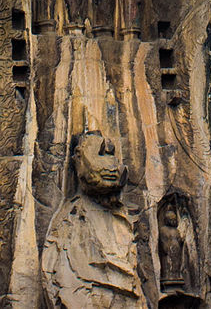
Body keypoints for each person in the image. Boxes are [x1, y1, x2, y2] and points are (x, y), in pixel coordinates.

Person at [40, 130, 145, 309]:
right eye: (101, 152)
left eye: (110, 153)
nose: (111, 162)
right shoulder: (69, 218)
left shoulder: (123, 219)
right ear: (78, 159)